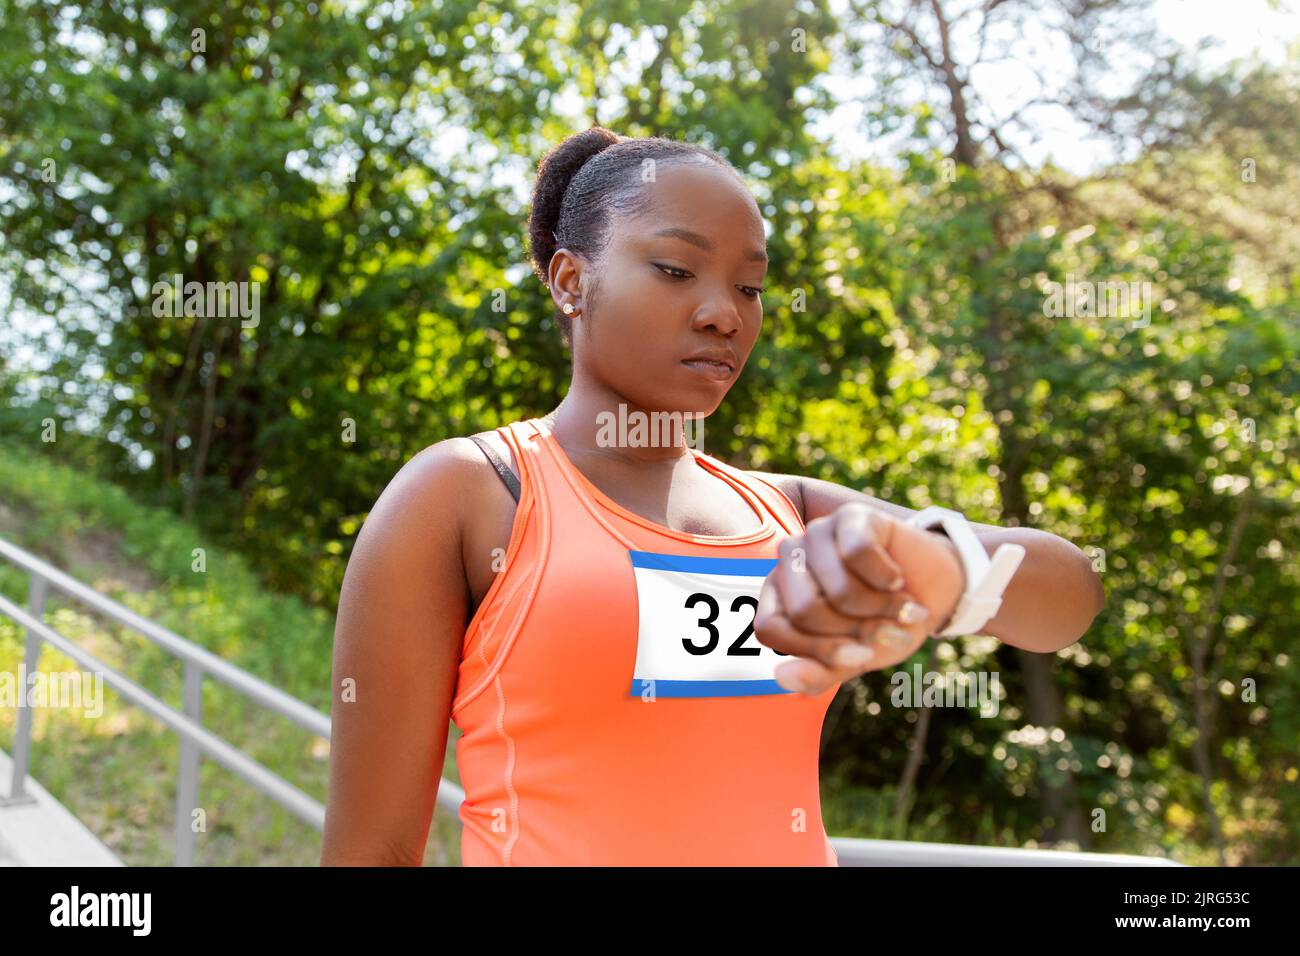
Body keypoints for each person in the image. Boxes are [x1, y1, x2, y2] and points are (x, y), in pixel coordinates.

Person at [319, 126, 1105, 867]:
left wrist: (945, 569)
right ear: (570, 280)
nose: (724, 313)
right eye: (675, 270)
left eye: (751, 286)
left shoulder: (789, 510)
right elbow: (373, 854)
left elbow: (1069, 597)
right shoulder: (470, 493)